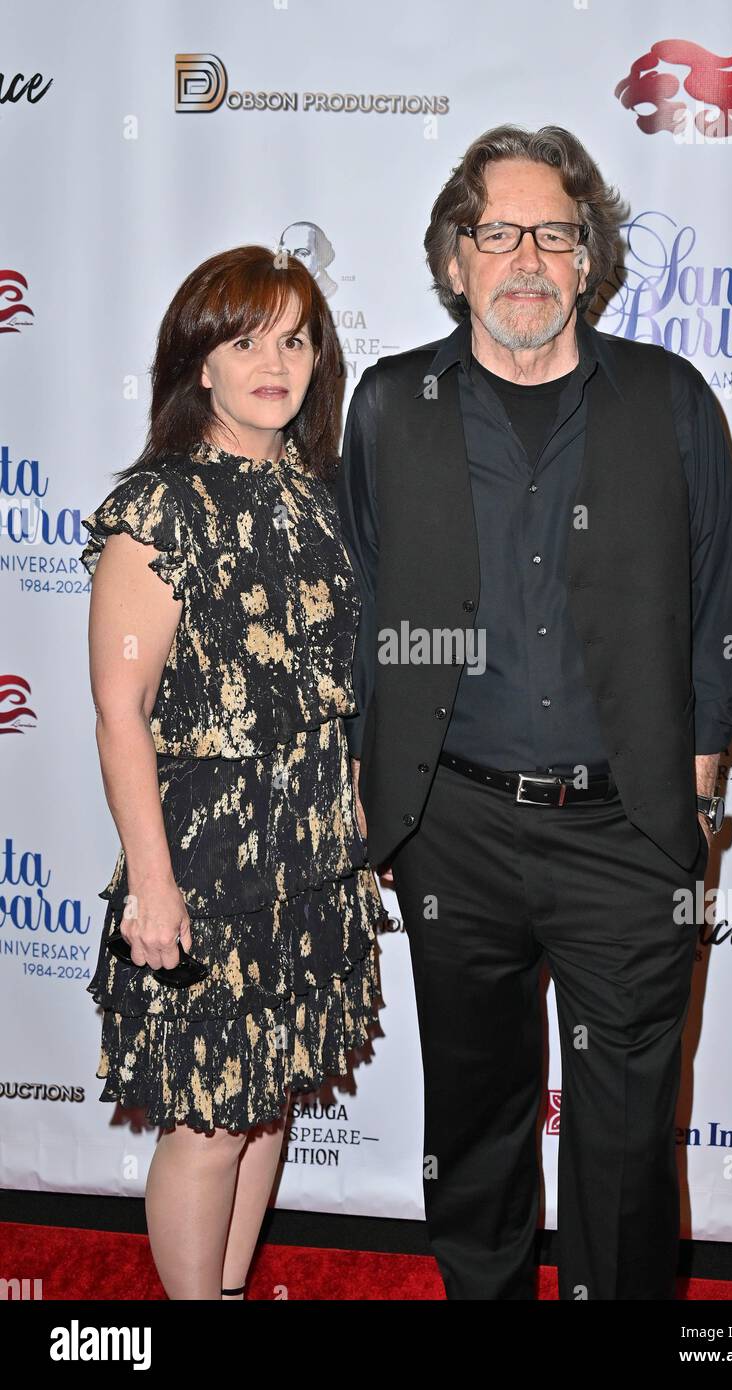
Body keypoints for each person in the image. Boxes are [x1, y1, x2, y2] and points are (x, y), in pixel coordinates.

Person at [336, 124, 732, 1300]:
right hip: (453, 831)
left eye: (554, 234)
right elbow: (365, 602)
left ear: (589, 258)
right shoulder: (390, 407)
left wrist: (696, 774)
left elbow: (715, 587)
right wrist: (378, 788)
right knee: (475, 1122)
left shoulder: (669, 403)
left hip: (628, 834)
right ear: (455, 257)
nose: (526, 259)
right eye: (498, 234)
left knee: (627, 1146)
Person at [80, 245, 385, 1301]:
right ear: (198, 363)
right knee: (211, 1116)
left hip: (311, 852)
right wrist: (153, 884)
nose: (274, 361)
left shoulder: (320, 500)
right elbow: (121, 711)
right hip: (208, 856)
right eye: (246, 338)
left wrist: (353, 814)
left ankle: (226, 1293)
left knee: (269, 1102)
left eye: (295, 339)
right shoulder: (159, 511)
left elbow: (328, 684)